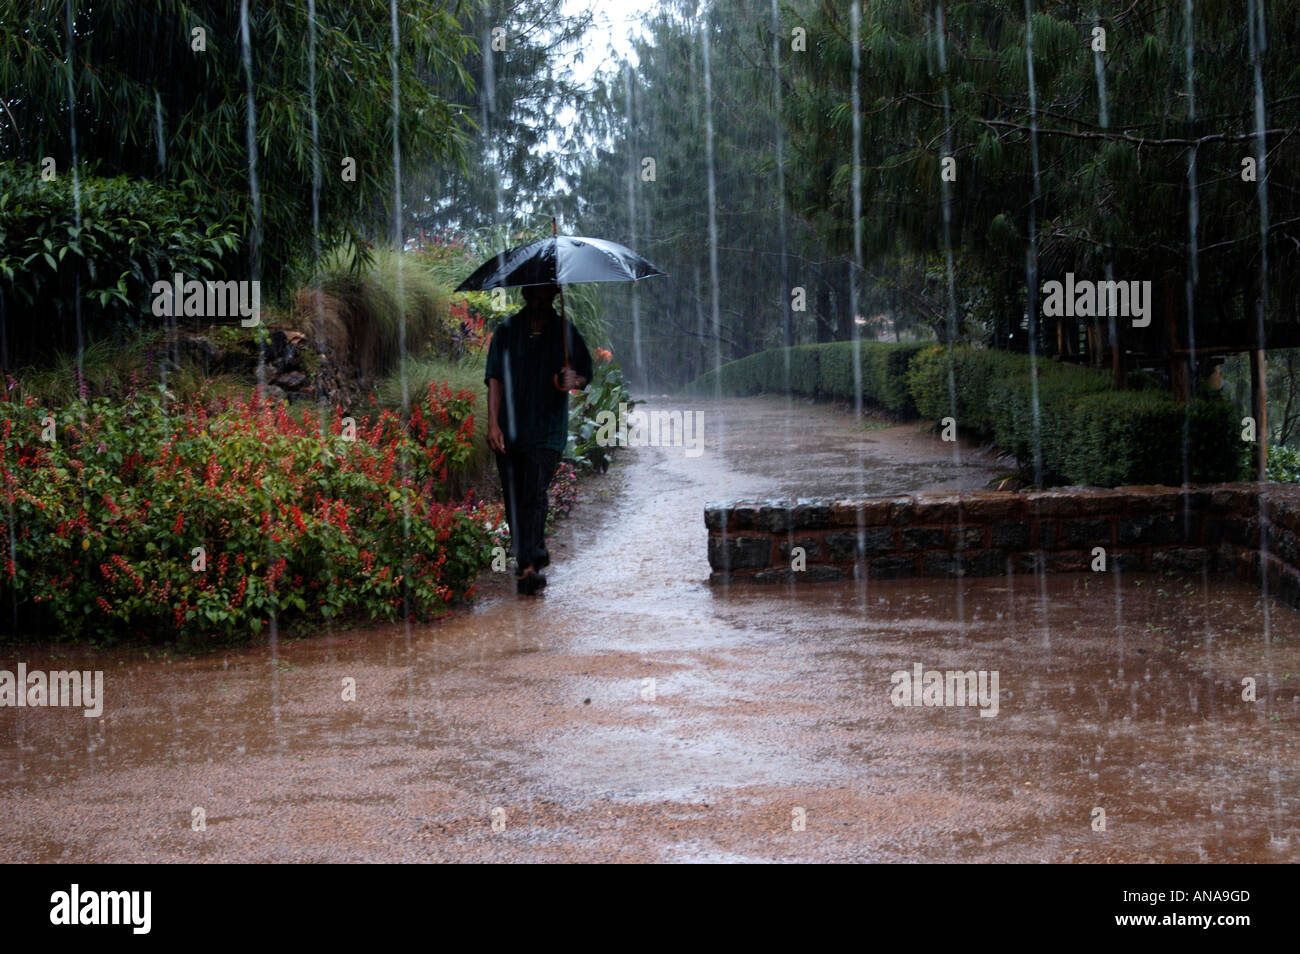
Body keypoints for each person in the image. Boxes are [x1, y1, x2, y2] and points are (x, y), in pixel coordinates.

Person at [484, 283, 594, 595]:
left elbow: (586, 373)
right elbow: (494, 379)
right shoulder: (506, 332)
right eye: (535, 294)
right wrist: (493, 424)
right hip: (510, 429)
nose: (540, 300)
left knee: (534, 490)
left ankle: (530, 564)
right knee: (515, 497)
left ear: (555, 294)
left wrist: (576, 378)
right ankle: (527, 557)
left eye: (547, 294)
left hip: (548, 431)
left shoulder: (565, 333)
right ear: (525, 296)